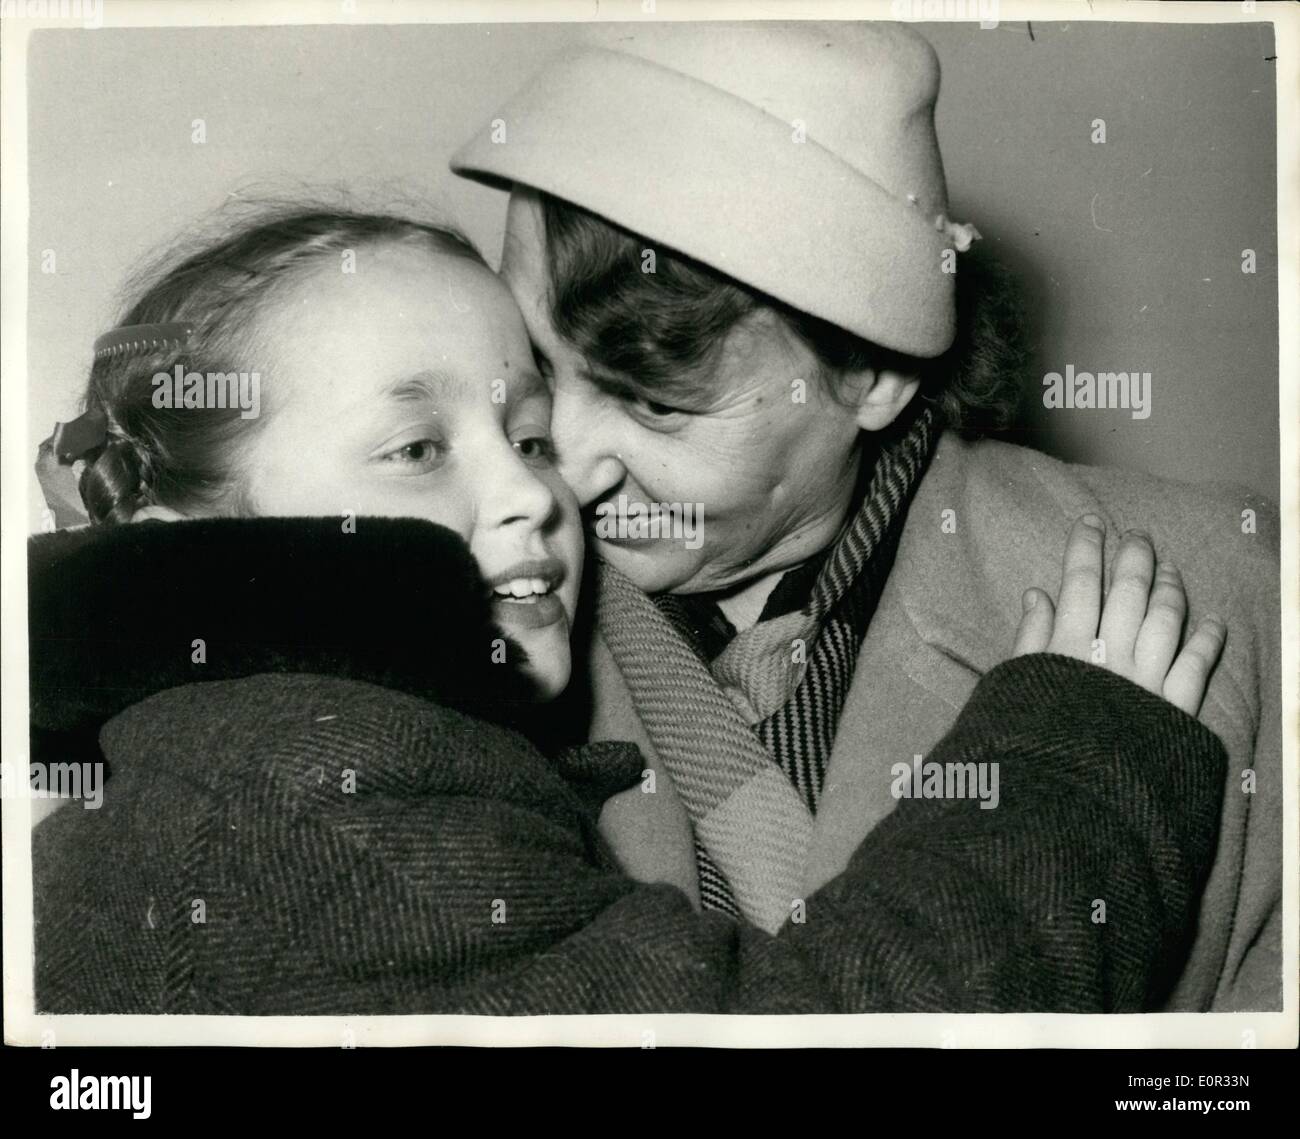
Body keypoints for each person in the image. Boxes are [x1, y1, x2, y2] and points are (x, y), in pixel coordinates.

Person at [28, 205, 1225, 1015]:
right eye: (415, 448)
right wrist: (1077, 767)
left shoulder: (240, 748)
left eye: (526, 432)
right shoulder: (319, 812)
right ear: (181, 535)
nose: (543, 491)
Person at [450, 20, 1282, 1009]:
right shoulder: (451, 620)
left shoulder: (1234, 590)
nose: (562, 467)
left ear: (872, 374)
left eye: (654, 403)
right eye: (538, 367)